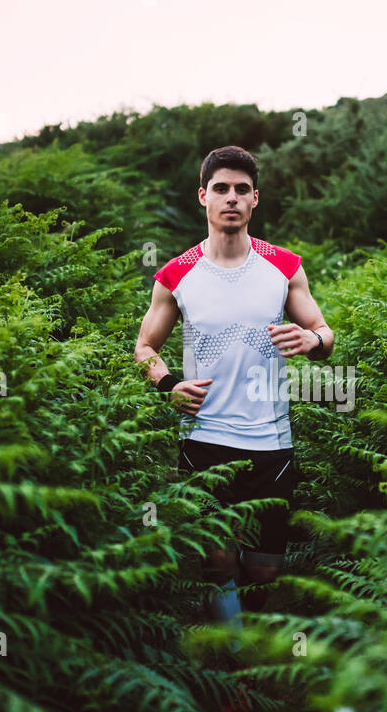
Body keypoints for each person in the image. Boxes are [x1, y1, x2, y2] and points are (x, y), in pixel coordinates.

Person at [134, 145, 333, 648]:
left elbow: (325, 333)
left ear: (254, 200)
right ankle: (235, 671)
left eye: (241, 189)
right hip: (204, 436)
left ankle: (252, 613)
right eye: (220, 188)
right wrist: (166, 383)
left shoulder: (284, 267)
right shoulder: (175, 274)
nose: (231, 198)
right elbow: (143, 348)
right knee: (217, 558)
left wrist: (313, 342)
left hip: (271, 440)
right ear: (203, 197)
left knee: (263, 574)